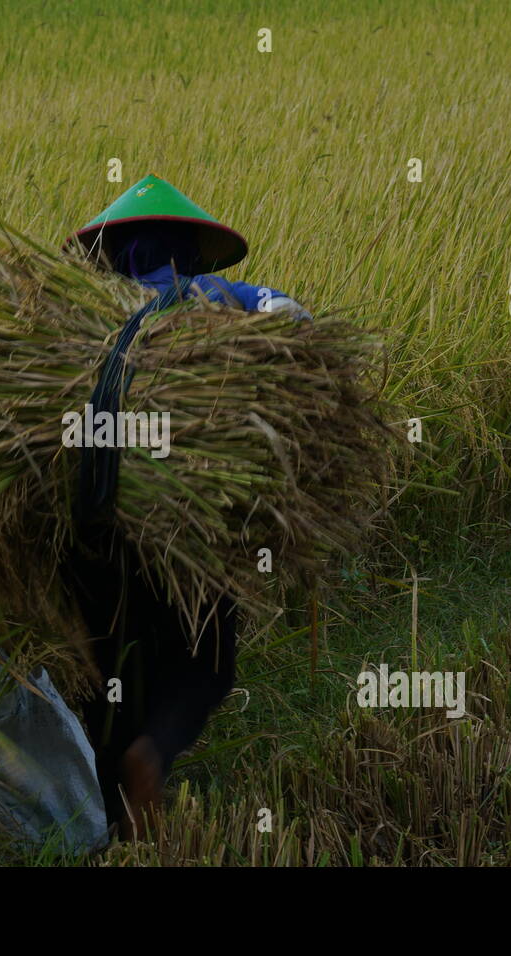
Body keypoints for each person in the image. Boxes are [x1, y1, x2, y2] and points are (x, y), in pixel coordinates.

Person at [61, 174, 309, 838]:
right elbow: (298, 324)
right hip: (182, 524)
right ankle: (153, 756)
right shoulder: (216, 298)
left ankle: (106, 813)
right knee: (205, 663)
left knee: (105, 662)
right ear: (188, 250)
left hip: (84, 522)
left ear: (111, 256)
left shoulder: (66, 326)